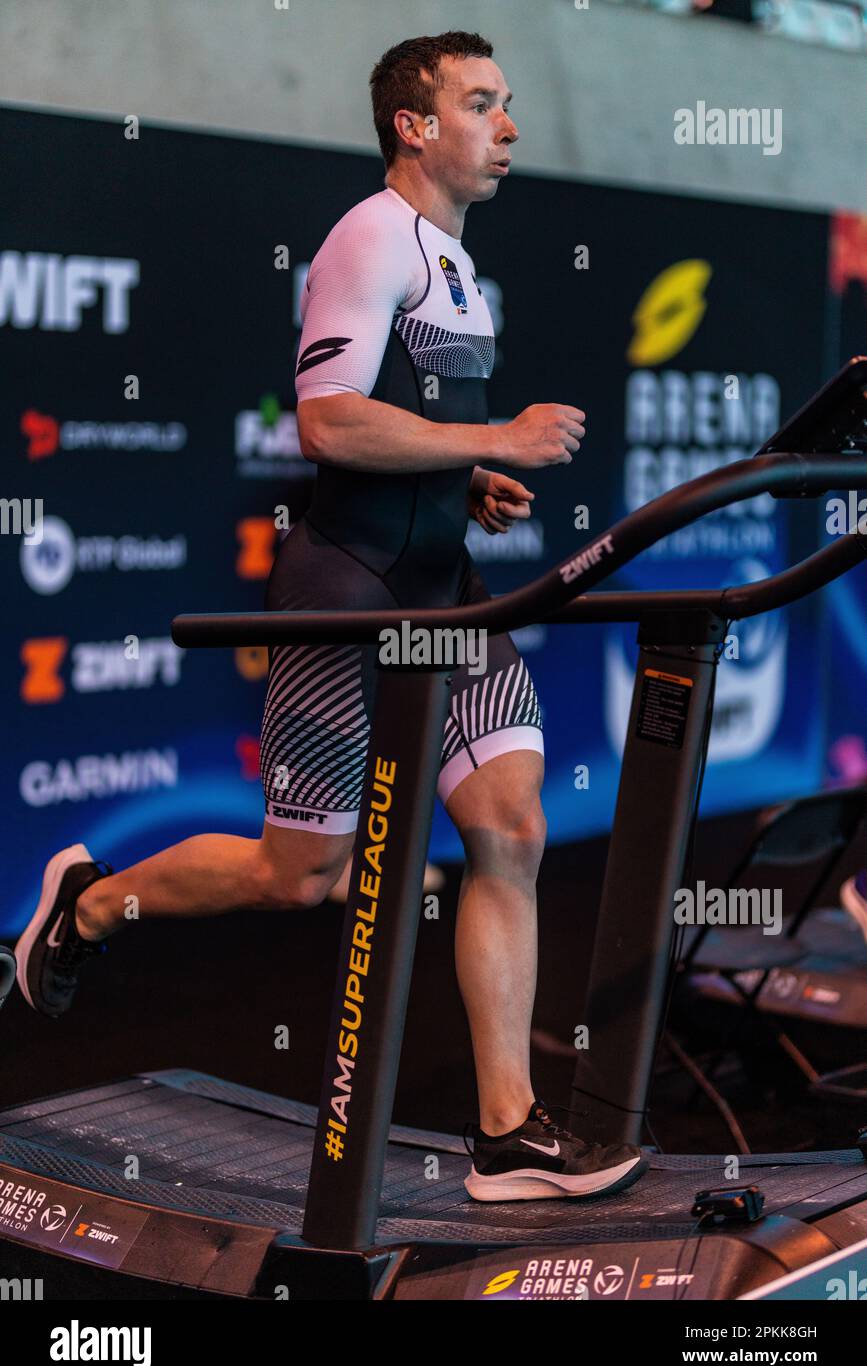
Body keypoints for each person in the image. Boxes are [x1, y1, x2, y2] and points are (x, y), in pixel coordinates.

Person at [15, 31, 646, 1202]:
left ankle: (505, 1132)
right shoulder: (369, 234)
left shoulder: (454, 259)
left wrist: (463, 482)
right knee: (299, 875)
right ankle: (89, 901)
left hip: (445, 585)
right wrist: (491, 438)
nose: (507, 127)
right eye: (482, 105)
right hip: (344, 590)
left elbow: (401, 428)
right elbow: (328, 423)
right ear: (414, 124)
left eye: (507, 105)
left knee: (509, 826)